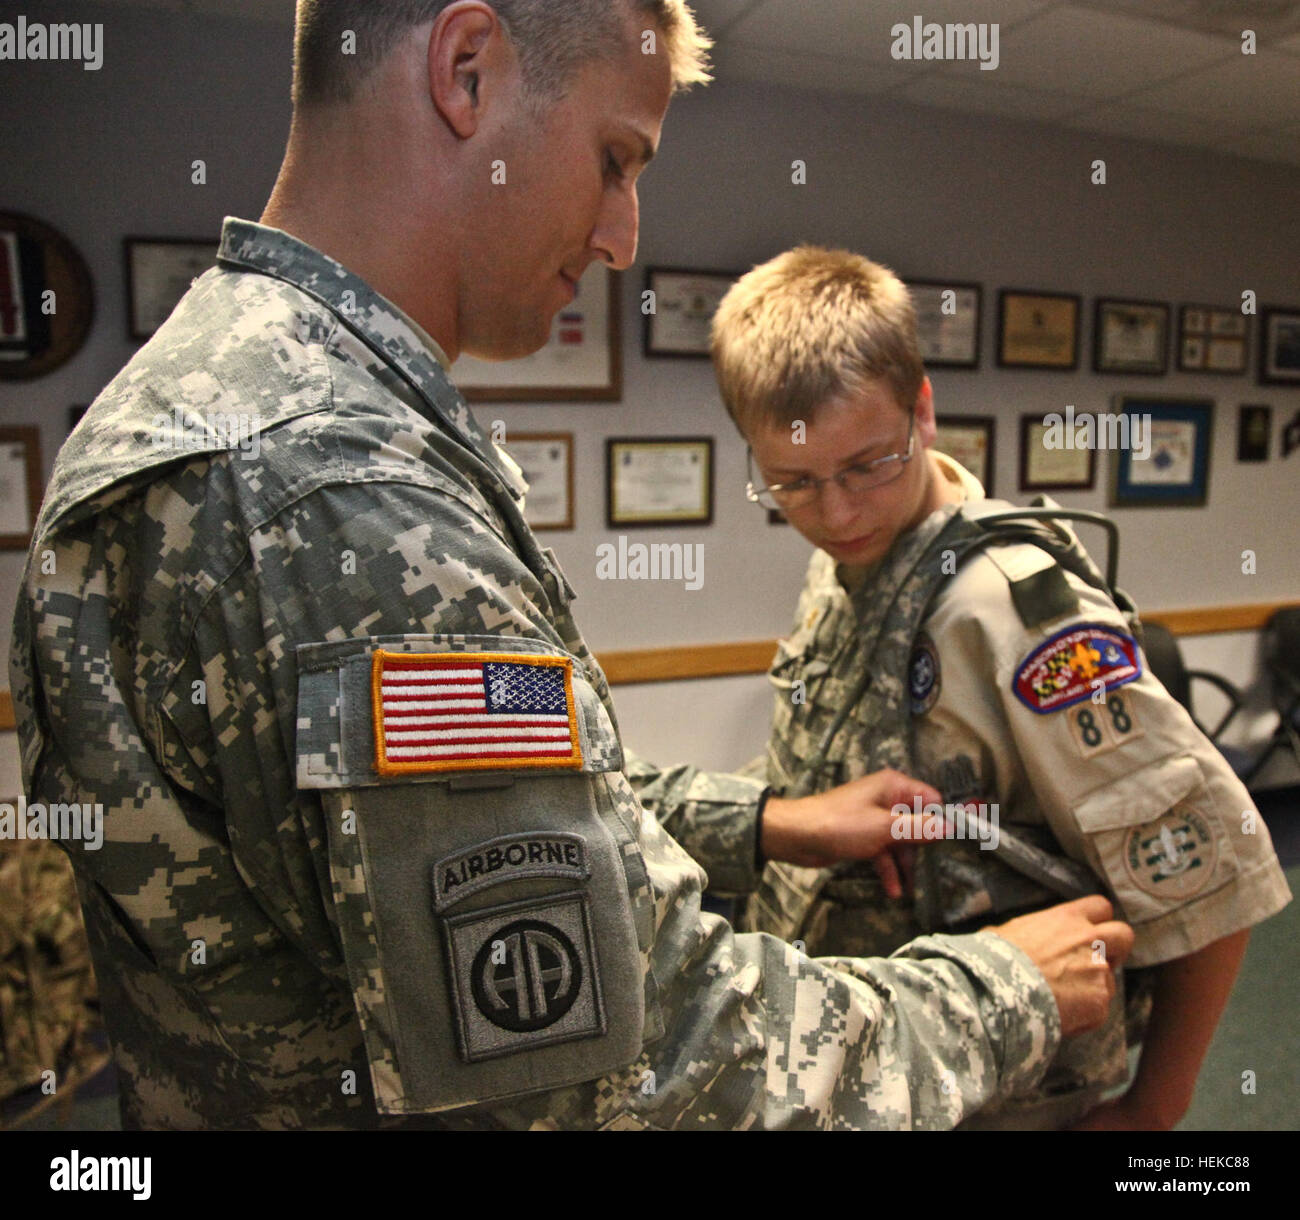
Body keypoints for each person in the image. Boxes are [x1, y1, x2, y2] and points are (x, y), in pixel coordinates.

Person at [8, 1, 1132, 1130]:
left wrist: (767, 823)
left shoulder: (204, 396)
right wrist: (1007, 988)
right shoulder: (344, 494)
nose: (621, 236)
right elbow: (629, 1065)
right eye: (613, 160)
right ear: (466, 69)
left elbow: (432, 823)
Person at [711, 246, 1292, 1130]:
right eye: (793, 482)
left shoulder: (1011, 613)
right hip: (875, 1050)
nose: (837, 514)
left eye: (869, 464)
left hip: (998, 1090)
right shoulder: (853, 565)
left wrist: (1156, 1107)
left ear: (925, 413)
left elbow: (1216, 866)